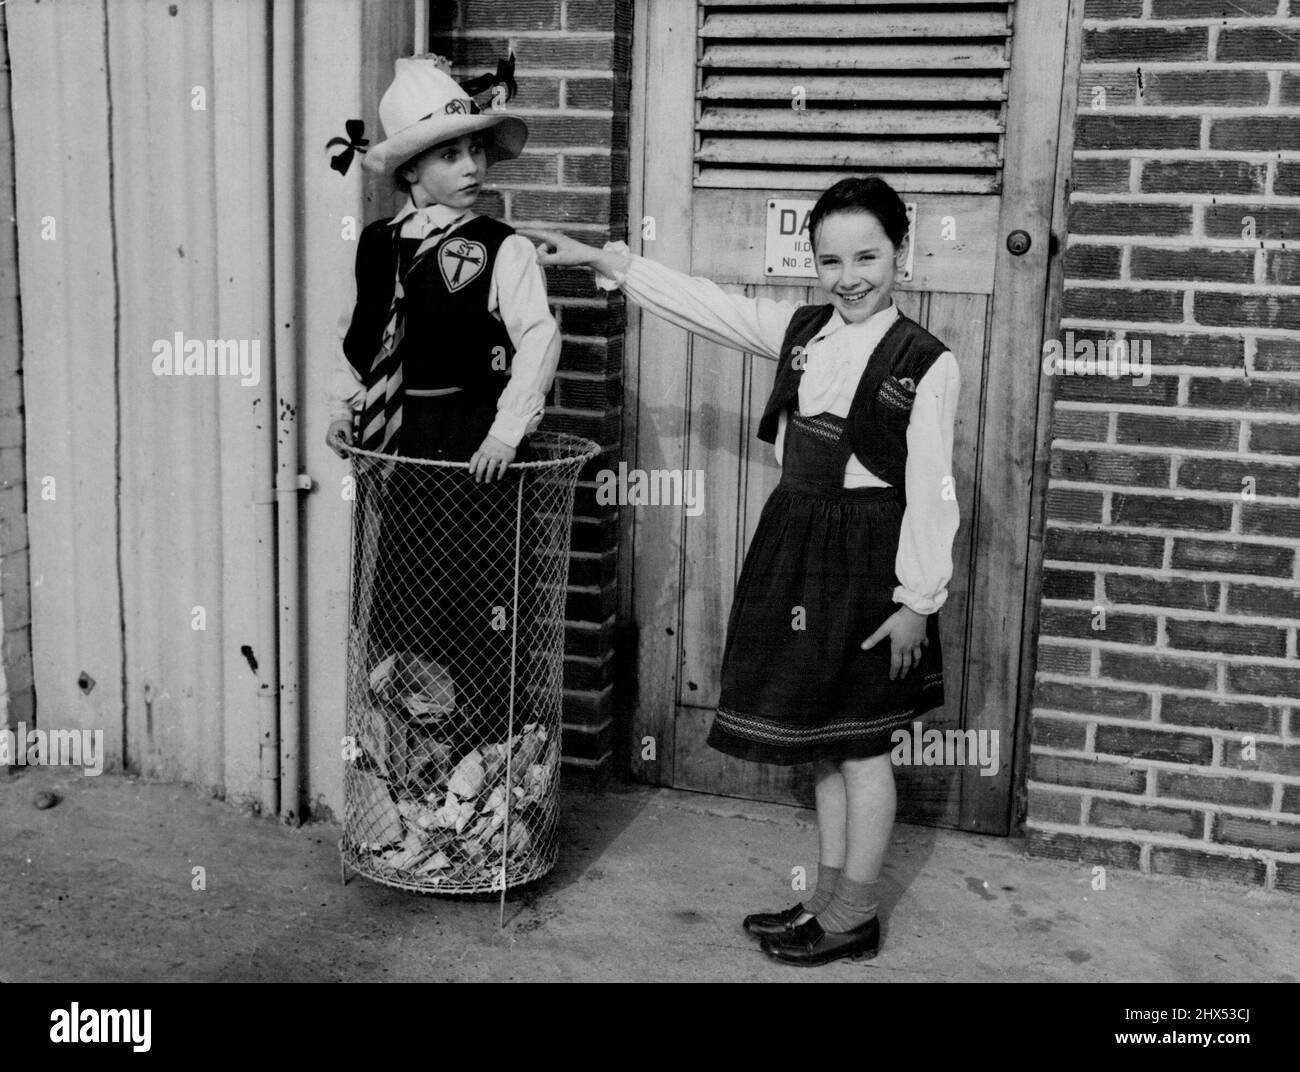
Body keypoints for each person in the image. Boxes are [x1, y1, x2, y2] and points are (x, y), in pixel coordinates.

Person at [525, 177, 960, 966]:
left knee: (863, 748)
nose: (849, 277)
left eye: (867, 257)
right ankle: (827, 900)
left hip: (871, 567)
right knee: (823, 740)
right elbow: (709, 306)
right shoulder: (802, 332)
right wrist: (609, 262)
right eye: (831, 261)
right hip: (796, 547)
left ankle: (856, 915)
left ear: (902, 252)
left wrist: (917, 602)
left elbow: (933, 489)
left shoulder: (925, 362)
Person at [326, 55, 561, 779]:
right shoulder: (378, 245)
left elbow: (539, 338)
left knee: (475, 602)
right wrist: (346, 406)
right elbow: (367, 335)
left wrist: (506, 431)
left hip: (470, 444)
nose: (471, 167)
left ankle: (486, 762)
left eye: (476, 151)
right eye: (450, 155)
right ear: (409, 171)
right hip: (400, 444)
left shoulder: (500, 247)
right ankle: (413, 770)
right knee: (405, 599)